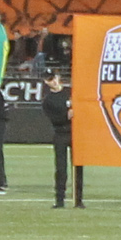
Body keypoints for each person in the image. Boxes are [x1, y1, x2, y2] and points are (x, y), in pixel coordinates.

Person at [43, 68, 84, 209]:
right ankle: (59, 199)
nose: (53, 81)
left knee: (78, 166)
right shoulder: (48, 100)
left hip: (75, 133)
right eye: (49, 80)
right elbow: (53, 119)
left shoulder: (70, 92)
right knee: (61, 168)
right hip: (60, 134)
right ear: (46, 82)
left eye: (54, 78)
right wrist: (66, 116)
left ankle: (78, 200)